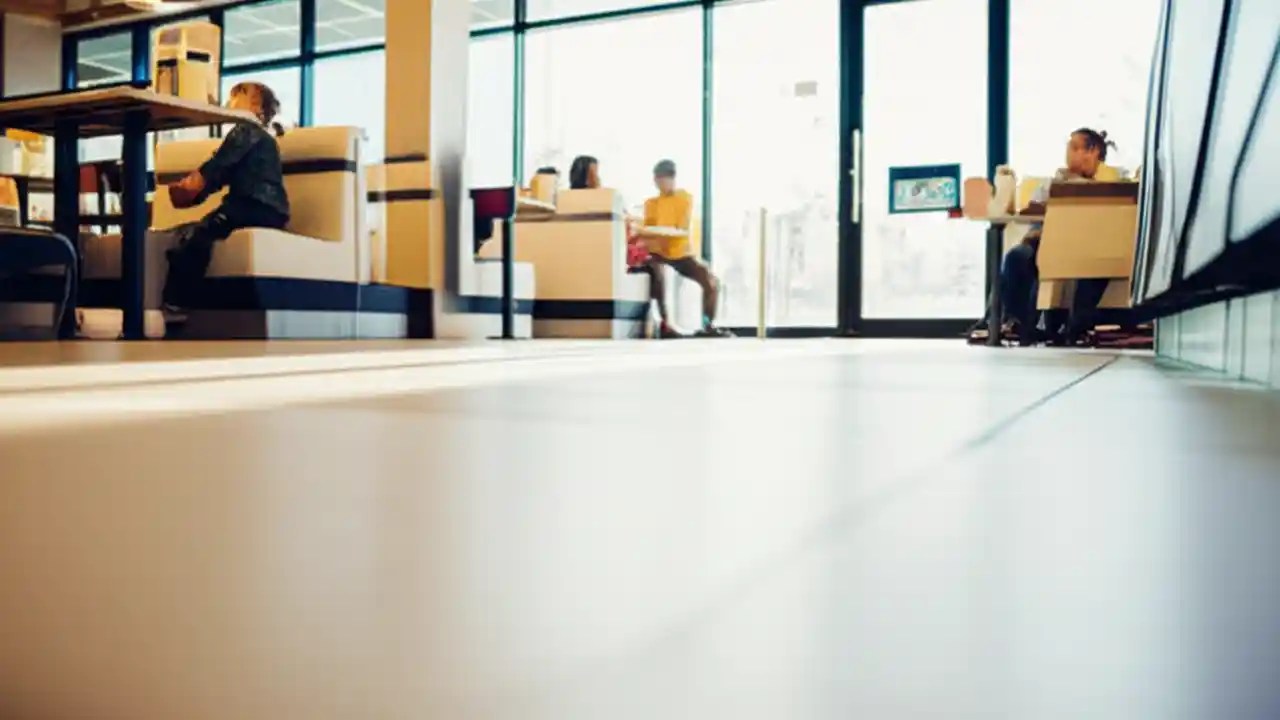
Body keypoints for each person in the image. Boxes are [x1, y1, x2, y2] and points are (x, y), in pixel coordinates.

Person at [162, 81, 290, 312]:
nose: (230, 102)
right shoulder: (262, 138)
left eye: (238, 96)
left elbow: (219, 166)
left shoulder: (247, 130)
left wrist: (192, 187)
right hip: (269, 210)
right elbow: (221, 172)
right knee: (200, 228)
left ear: (257, 107)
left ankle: (177, 301)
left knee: (198, 234)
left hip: (253, 206)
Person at [999, 128, 1120, 345]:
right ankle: (1017, 324)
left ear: (1092, 153)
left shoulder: (1108, 187)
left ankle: (1073, 330)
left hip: (1086, 246)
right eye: (1069, 148)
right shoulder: (1052, 183)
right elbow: (1030, 211)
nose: (1068, 154)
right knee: (1017, 256)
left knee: (1094, 265)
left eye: (1074, 148)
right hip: (1044, 241)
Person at [636, 160, 730, 338]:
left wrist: (660, 232)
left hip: (681, 253)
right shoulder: (651, 203)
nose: (661, 184)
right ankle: (665, 326)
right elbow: (649, 231)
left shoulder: (684, 198)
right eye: (657, 180)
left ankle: (707, 326)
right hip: (658, 253)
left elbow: (681, 229)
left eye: (664, 179)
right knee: (658, 274)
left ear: (672, 178)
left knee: (710, 281)